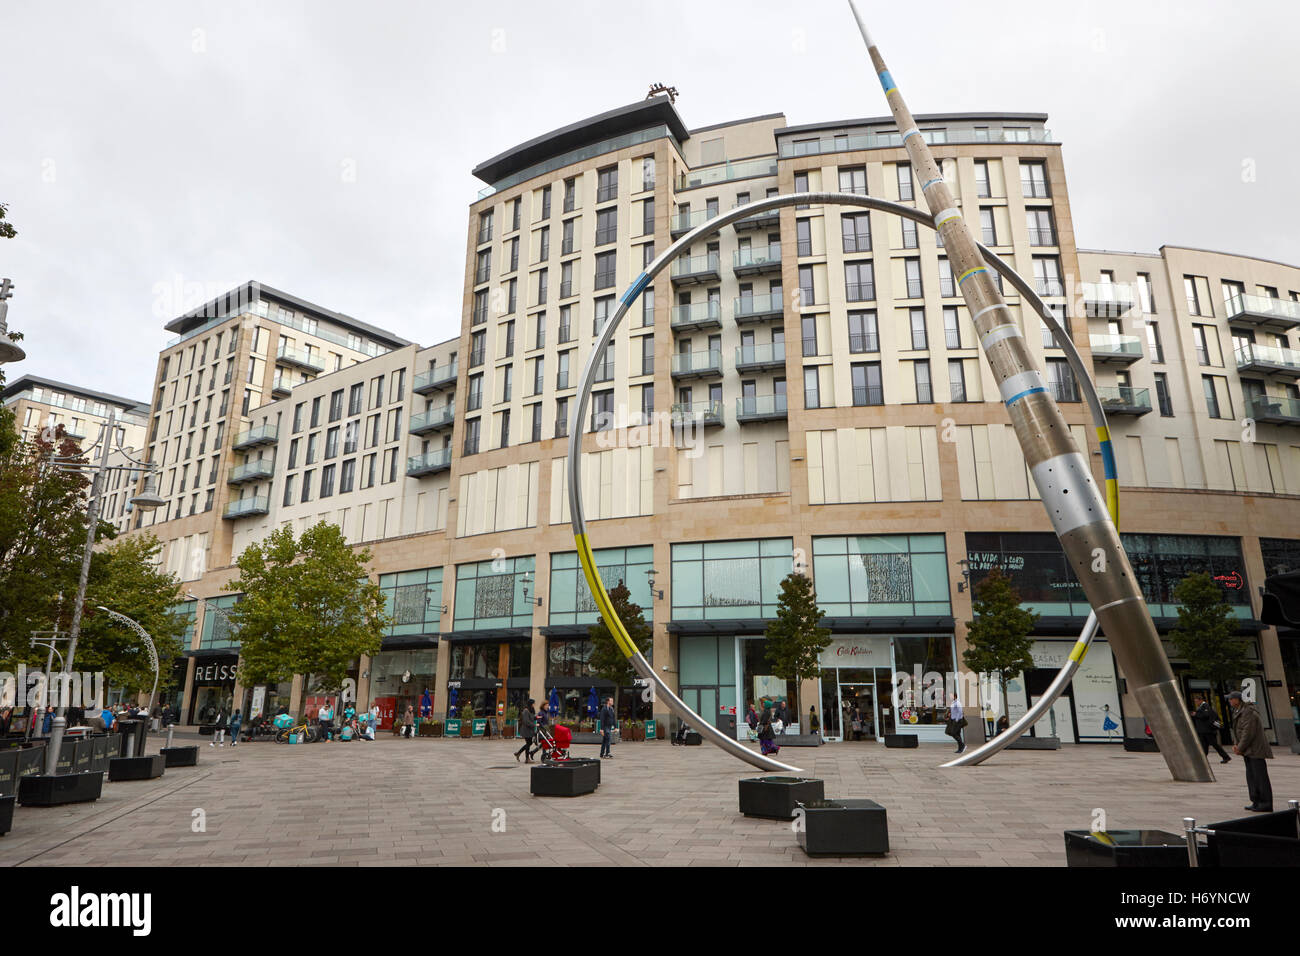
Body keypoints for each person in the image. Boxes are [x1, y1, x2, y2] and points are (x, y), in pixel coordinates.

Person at [1227, 691, 1273, 812]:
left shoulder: (1248, 711)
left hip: (1255, 749)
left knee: (1260, 776)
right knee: (1251, 776)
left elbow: (1248, 732)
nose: (1229, 701)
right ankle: (1256, 801)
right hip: (1248, 750)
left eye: (1231, 699)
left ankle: (1265, 802)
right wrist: (1237, 745)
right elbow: (1239, 730)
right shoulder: (1238, 711)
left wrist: (1240, 747)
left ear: (1237, 700)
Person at [1192, 694, 1230, 764]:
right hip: (1203, 730)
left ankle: (1226, 756)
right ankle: (1203, 759)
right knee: (1204, 745)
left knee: (1214, 744)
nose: (1196, 703)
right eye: (1195, 702)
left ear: (1201, 700)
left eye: (1197, 701)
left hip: (1207, 730)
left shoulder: (1205, 706)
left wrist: (1196, 715)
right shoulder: (1201, 707)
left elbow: (1206, 715)